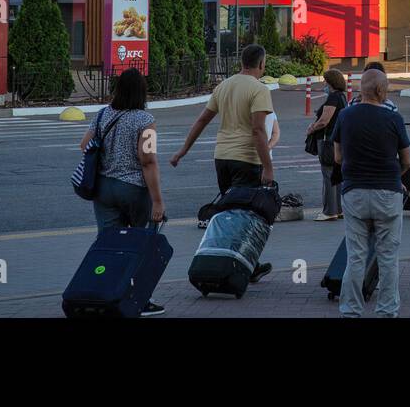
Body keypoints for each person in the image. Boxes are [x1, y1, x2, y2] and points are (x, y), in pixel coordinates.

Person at [78, 67, 166, 316]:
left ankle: (103, 293)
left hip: (104, 189)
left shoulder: (103, 114)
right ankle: (139, 299)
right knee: (139, 246)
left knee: (108, 244)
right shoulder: (145, 121)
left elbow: (84, 145)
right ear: (141, 92)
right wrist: (158, 201)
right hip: (134, 190)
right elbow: (148, 160)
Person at [332, 68, 410, 317]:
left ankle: (350, 310)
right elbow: (407, 160)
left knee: (356, 256)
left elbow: (337, 156)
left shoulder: (345, 116)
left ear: (360, 90)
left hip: (354, 192)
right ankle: (387, 311)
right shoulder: (393, 119)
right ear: (381, 90)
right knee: (388, 256)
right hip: (387, 193)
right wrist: (392, 175)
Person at [171, 42, 276, 193]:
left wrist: (183, 150)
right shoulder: (259, 89)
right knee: (244, 211)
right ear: (261, 64)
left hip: (222, 158)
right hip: (246, 160)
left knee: (228, 208)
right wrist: (268, 168)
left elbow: (202, 120)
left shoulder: (223, 86)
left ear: (242, 62)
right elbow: (258, 130)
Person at [306, 69, 348, 221]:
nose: (323, 83)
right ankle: (338, 209)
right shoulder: (342, 97)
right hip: (338, 140)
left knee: (328, 175)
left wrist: (312, 128)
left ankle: (329, 211)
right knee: (336, 176)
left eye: (325, 80)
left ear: (331, 82)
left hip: (328, 141)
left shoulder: (333, 98)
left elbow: (325, 120)